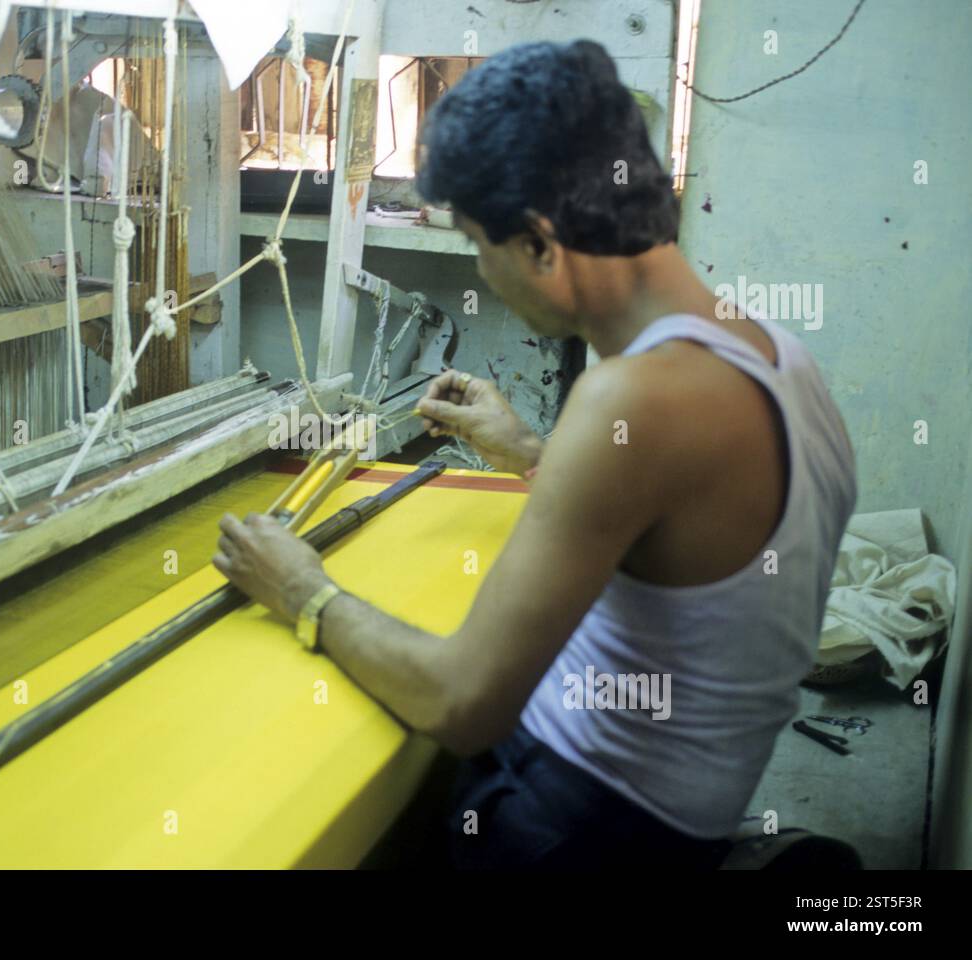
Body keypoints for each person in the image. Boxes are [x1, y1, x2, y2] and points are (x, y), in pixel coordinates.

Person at [212, 40, 856, 868]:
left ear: (542, 246)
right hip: (679, 805)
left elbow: (462, 702)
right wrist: (527, 451)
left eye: (481, 244)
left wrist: (303, 590)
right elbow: (685, 543)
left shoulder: (633, 402)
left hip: (575, 827)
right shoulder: (774, 354)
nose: (482, 267)